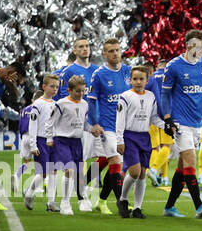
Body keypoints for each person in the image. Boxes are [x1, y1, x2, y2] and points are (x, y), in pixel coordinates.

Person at [160, 29, 202, 219]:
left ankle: (169, 207)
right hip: (180, 122)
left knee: (181, 166)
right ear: (188, 46)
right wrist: (168, 117)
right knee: (191, 162)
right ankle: (199, 205)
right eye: (199, 47)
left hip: (197, 121)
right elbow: (165, 94)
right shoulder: (174, 66)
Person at [86, 39, 131, 215]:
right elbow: (91, 101)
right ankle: (122, 204)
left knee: (108, 161)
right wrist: (95, 122)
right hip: (108, 126)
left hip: (126, 127)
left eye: (117, 50)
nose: (115, 53)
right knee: (115, 162)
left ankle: (101, 200)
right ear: (104, 54)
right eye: (110, 51)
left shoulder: (128, 72)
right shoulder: (99, 74)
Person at [116, 65, 162, 219]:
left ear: (147, 80)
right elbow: (120, 121)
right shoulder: (125, 96)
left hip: (144, 137)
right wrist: (119, 140)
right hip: (130, 137)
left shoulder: (151, 96)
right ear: (130, 80)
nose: (138, 82)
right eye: (134, 79)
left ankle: (137, 208)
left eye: (141, 79)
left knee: (142, 173)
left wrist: (167, 127)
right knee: (134, 172)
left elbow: (154, 118)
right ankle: (122, 200)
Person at [47, 75, 91, 215]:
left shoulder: (85, 104)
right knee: (69, 170)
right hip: (62, 140)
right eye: (78, 91)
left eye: (83, 91)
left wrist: (93, 130)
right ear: (69, 90)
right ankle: (65, 202)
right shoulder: (61, 103)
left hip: (77, 141)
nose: (81, 94)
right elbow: (50, 122)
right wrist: (49, 138)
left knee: (78, 172)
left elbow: (84, 124)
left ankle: (82, 200)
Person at [21, 74, 60, 211]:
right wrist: (33, 144)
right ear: (44, 86)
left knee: (54, 171)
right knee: (43, 172)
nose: (54, 89)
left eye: (56, 86)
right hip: (41, 140)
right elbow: (32, 124)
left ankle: (51, 203)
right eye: (52, 86)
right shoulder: (38, 104)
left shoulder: (56, 104)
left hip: (53, 141)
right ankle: (29, 193)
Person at [144, 62, 173, 187]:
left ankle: (159, 175)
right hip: (166, 114)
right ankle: (155, 170)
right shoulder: (170, 75)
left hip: (151, 117)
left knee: (155, 148)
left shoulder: (150, 78)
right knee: (167, 146)